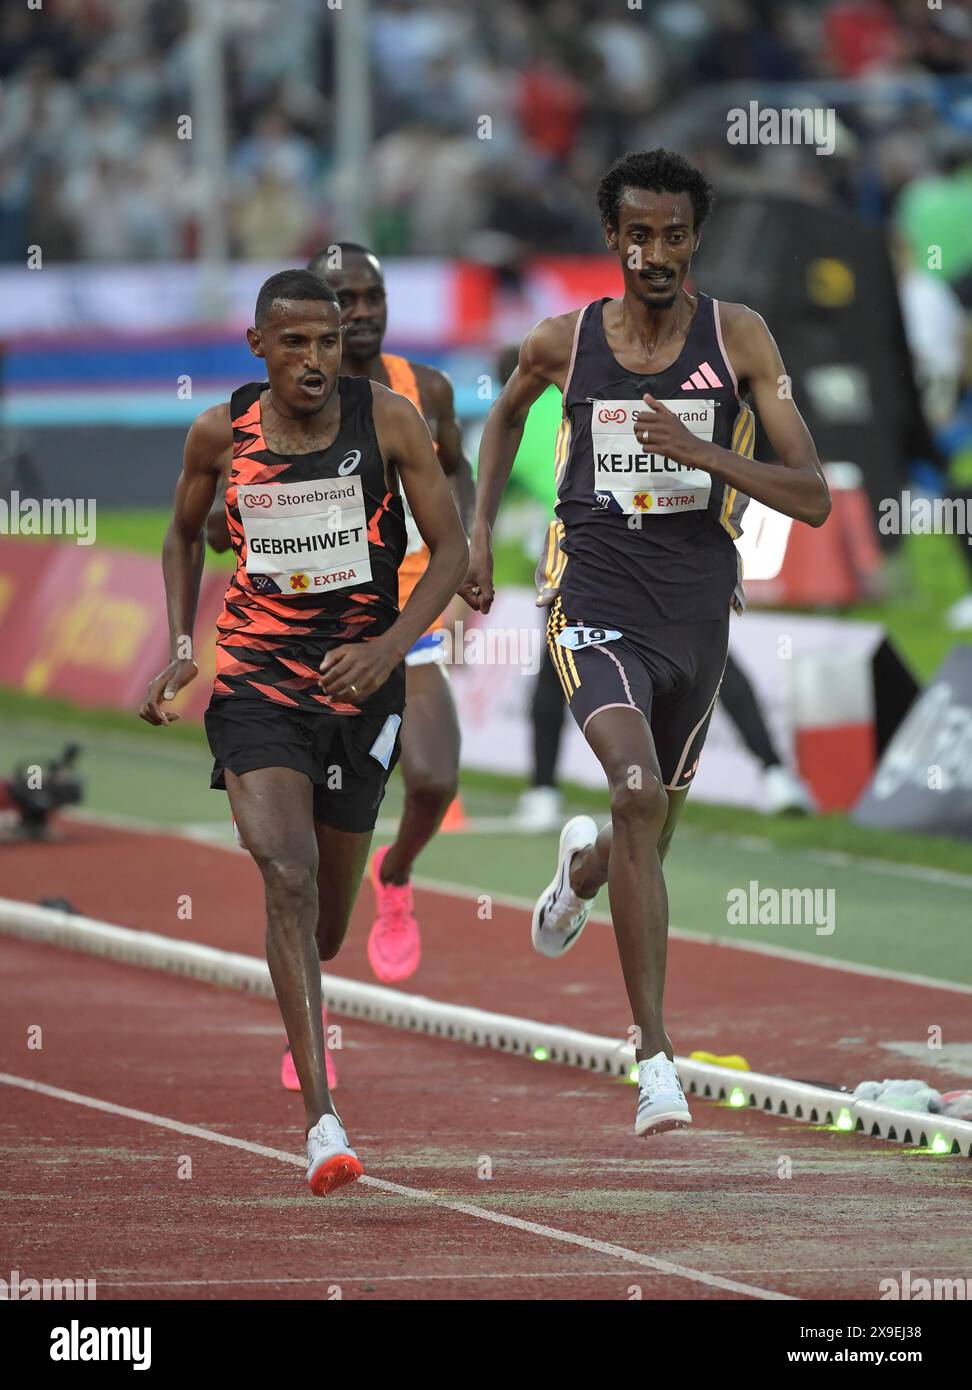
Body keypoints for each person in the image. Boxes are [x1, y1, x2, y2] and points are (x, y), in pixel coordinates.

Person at [462, 149, 830, 1138]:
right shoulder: (564, 341)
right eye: (638, 234)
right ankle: (656, 1059)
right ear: (613, 238)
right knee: (632, 793)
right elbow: (500, 421)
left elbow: (816, 495)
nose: (655, 251)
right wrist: (475, 541)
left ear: (693, 239)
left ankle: (580, 874)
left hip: (698, 615)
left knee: (647, 827)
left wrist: (703, 451)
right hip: (591, 594)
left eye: (673, 234)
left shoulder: (738, 337)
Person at [140, 269, 467, 1195]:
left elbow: (449, 549)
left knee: (324, 923)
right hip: (256, 687)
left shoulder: (391, 421)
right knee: (282, 875)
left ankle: (331, 956)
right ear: (259, 347)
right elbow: (179, 533)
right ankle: (323, 1121)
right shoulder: (221, 432)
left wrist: (389, 648)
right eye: (295, 343)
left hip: (362, 687)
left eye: (327, 342)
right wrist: (178, 647)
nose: (316, 359)